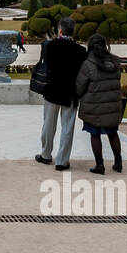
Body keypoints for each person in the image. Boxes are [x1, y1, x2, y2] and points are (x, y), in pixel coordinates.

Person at [35, 17, 88, 170]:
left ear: (60, 30)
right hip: (70, 92)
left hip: (52, 90)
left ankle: (45, 155)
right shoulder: (80, 51)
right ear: (73, 31)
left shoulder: (50, 46)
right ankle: (62, 161)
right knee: (67, 127)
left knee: (48, 124)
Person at [75, 33, 125, 174]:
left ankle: (100, 165)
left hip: (94, 106)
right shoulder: (114, 63)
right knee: (113, 133)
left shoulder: (88, 64)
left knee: (95, 134)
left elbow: (80, 86)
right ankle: (118, 162)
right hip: (112, 105)